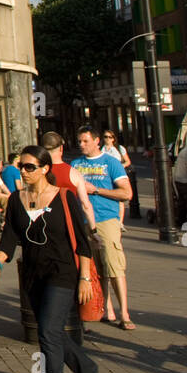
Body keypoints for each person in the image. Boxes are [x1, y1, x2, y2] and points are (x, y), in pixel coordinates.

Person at [0, 145, 99, 373]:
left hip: (62, 274)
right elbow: (10, 237)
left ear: (45, 169)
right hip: (32, 276)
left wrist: (84, 278)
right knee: (52, 332)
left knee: (47, 335)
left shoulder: (63, 197)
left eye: (30, 167)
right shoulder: (16, 199)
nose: (23, 172)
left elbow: (83, 242)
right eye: (21, 167)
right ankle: (86, 369)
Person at [70, 126, 134, 329]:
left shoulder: (111, 163)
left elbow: (126, 193)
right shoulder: (75, 164)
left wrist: (96, 190)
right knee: (93, 267)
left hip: (106, 219)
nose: (81, 144)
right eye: (79, 141)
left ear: (97, 141)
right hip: (82, 221)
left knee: (113, 265)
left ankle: (124, 312)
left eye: (85, 141)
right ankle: (104, 309)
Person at [40, 132, 96, 228]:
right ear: (61, 148)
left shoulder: (38, 171)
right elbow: (85, 205)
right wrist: (93, 229)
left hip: (43, 222)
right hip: (68, 223)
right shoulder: (74, 173)